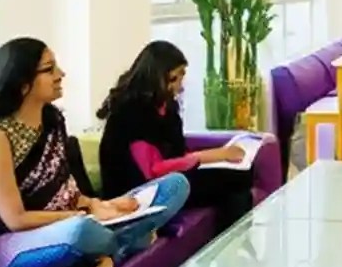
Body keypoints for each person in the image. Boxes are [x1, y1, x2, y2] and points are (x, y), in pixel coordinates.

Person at [0, 38, 190, 267]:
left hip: (74, 218)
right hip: (17, 243)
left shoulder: (52, 121)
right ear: (22, 84)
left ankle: (108, 249)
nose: (60, 74)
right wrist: (83, 216)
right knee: (79, 231)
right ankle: (121, 244)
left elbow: (66, 192)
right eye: (49, 69)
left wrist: (98, 205)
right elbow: (16, 220)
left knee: (176, 184)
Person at [97, 41, 253, 232]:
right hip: (138, 192)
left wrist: (209, 159)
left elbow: (176, 153)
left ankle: (234, 250)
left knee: (240, 181)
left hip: (167, 179)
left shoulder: (167, 108)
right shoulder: (130, 113)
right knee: (234, 183)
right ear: (159, 77)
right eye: (176, 77)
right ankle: (235, 250)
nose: (180, 85)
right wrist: (215, 155)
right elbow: (153, 170)